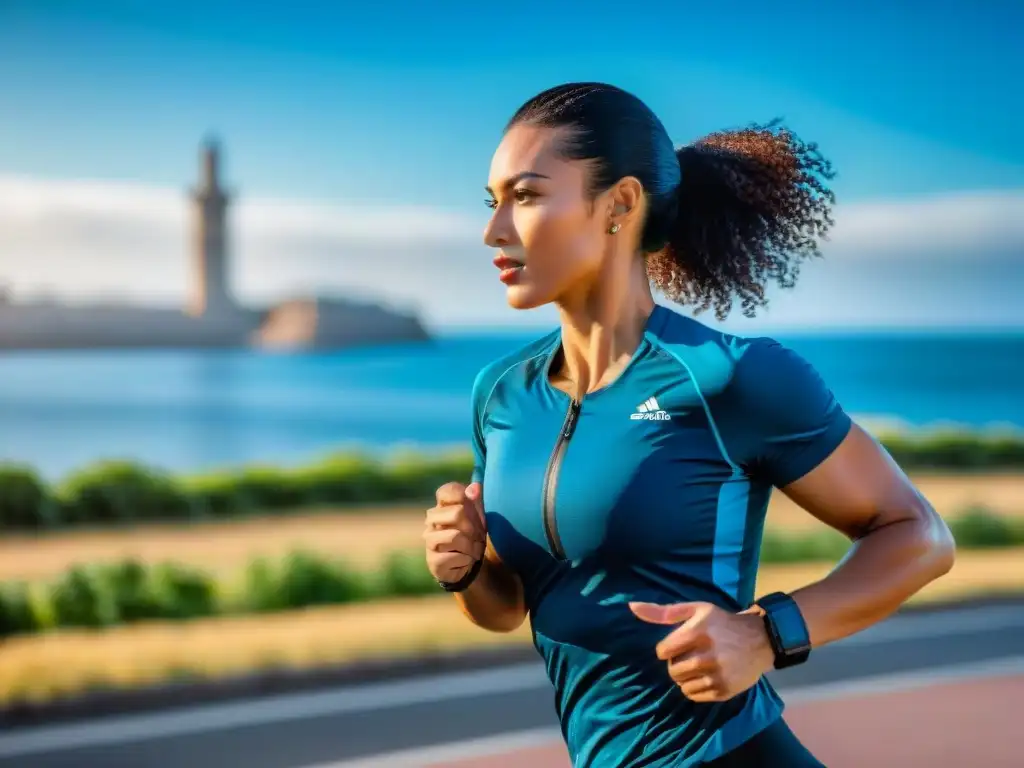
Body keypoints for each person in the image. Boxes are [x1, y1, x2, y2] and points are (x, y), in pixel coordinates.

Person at [422, 82, 956, 767]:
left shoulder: (728, 376)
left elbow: (919, 536)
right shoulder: (501, 393)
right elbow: (508, 608)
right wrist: (466, 569)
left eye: (525, 196)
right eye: (492, 202)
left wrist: (764, 634)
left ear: (620, 204)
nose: (494, 230)